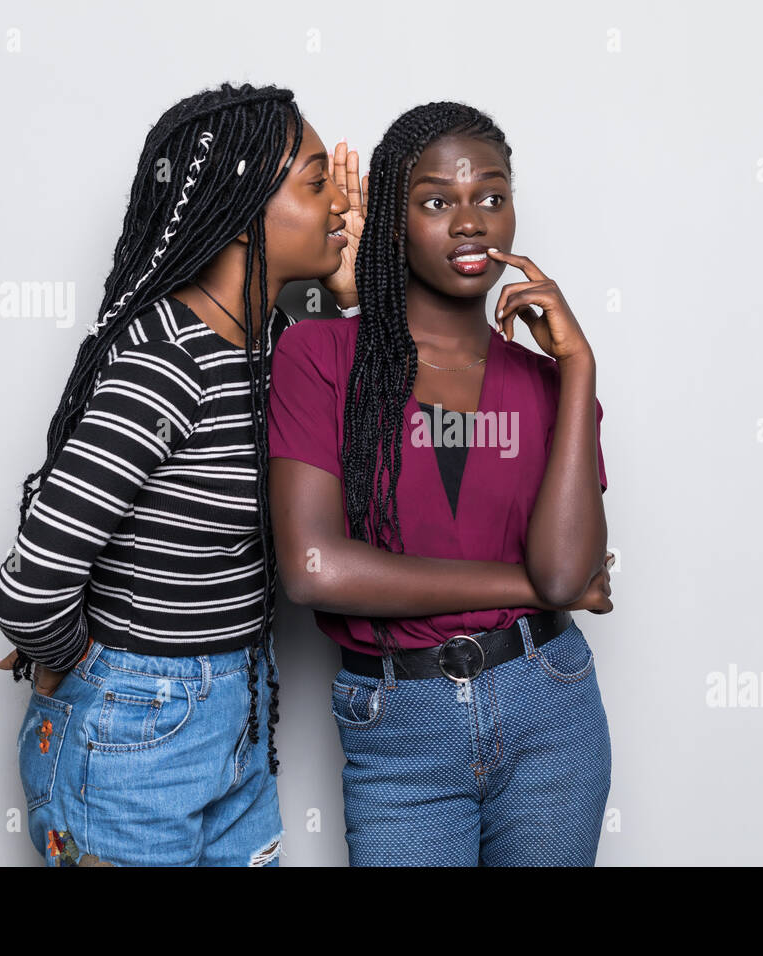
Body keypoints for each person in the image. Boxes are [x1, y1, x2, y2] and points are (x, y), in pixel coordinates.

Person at [0, 81, 364, 866]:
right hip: (133, 732)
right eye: (316, 183)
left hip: (241, 719)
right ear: (242, 208)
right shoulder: (168, 365)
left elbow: (362, 480)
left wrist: (351, 303)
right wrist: (90, 672)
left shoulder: (278, 346)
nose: (340, 206)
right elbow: (31, 588)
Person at [267, 101, 613, 866]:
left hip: (550, 704)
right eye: (436, 202)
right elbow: (315, 569)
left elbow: (567, 573)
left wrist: (580, 367)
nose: (470, 223)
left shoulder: (550, 383)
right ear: (392, 223)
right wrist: (525, 586)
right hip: (402, 724)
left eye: (492, 197)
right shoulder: (318, 355)